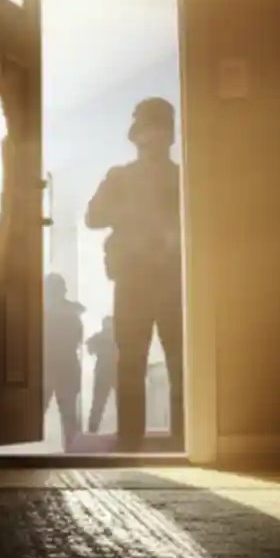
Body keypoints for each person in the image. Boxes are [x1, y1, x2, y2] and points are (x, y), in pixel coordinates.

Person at [86, 97, 184, 452]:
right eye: (149, 129)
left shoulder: (181, 179)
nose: (154, 137)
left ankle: (183, 437)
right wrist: (132, 213)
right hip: (133, 279)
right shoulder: (121, 177)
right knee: (130, 361)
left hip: (172, 279)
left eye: (161, 129)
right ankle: (130, 440)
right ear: (138, 135)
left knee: (179, 360)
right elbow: (93, 217)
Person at [43, 273, 84, 452]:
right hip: (66, 365)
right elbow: (77, 337)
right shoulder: (72, 313)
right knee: (68, 414)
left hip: (49, 365)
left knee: (38, 410)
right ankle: (72, 450)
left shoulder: (44, 312)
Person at [85, 316, 118, 435]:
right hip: (114, 371)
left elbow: (89, 349)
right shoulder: (118, 337)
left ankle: (92, 429)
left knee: (98, 402)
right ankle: (93, 429)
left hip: (104, 372)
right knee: (117, 402)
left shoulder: (98, 337)